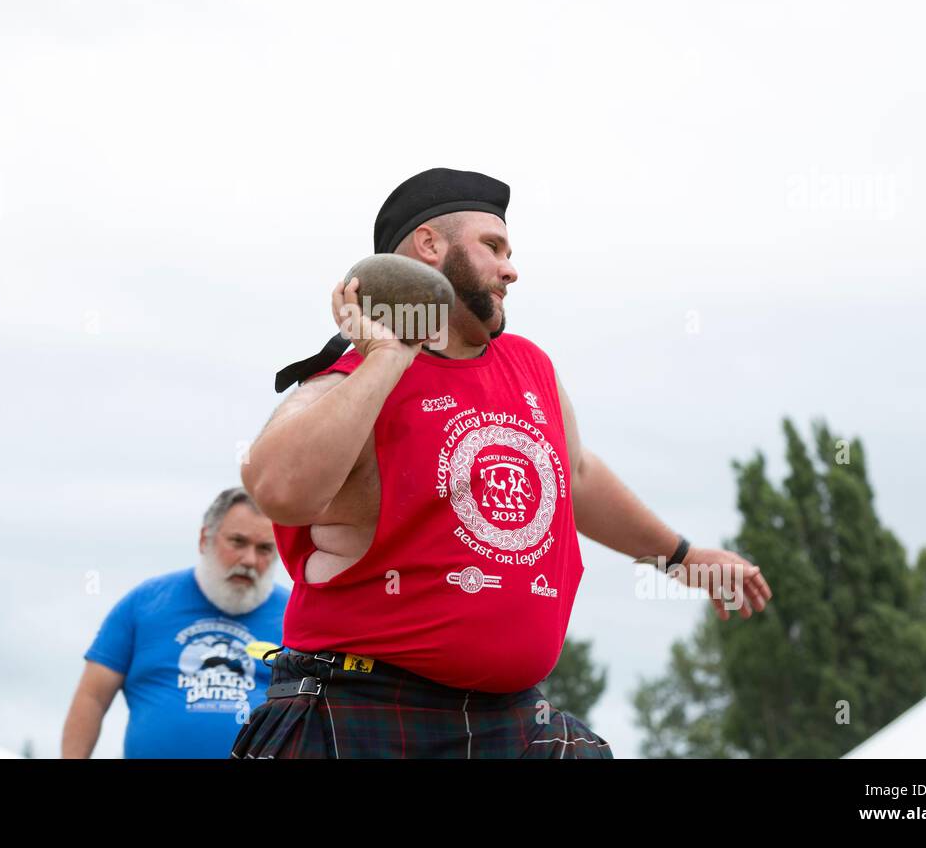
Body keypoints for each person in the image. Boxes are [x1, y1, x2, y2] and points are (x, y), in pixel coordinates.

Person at [234, 167, 772, 758]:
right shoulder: (348, 385)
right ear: (429, 246)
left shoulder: (528, 364)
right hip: (359, 705)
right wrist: (390, 356)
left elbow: (578, 476)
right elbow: (276, 489)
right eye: (493, 247)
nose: (511, 269)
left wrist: (683, 558)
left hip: (514, 718)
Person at [61, 487, 289, 758]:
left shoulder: (294, 617)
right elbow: (92, 697)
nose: (250, 560)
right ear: (205, 539)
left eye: (264, 548)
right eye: (238, 542)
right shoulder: (144, 603)